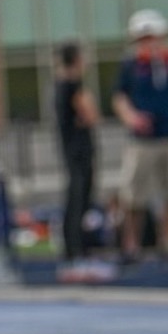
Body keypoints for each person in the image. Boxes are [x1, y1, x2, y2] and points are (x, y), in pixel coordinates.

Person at [112, 10, 168, 262]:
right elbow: (120, 98)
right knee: (134, 194)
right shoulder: (131, 65)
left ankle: (166, 241)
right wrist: (132, 118)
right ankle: (132, 244)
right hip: (142, 141)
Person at [53, 43, 99, 263]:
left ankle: (76, 244)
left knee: (79, 196)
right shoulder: (71, 85)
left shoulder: (62, 85)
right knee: (78, 197)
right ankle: (74, 246)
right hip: (77, 150)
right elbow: (90, 114)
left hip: (74, 148)